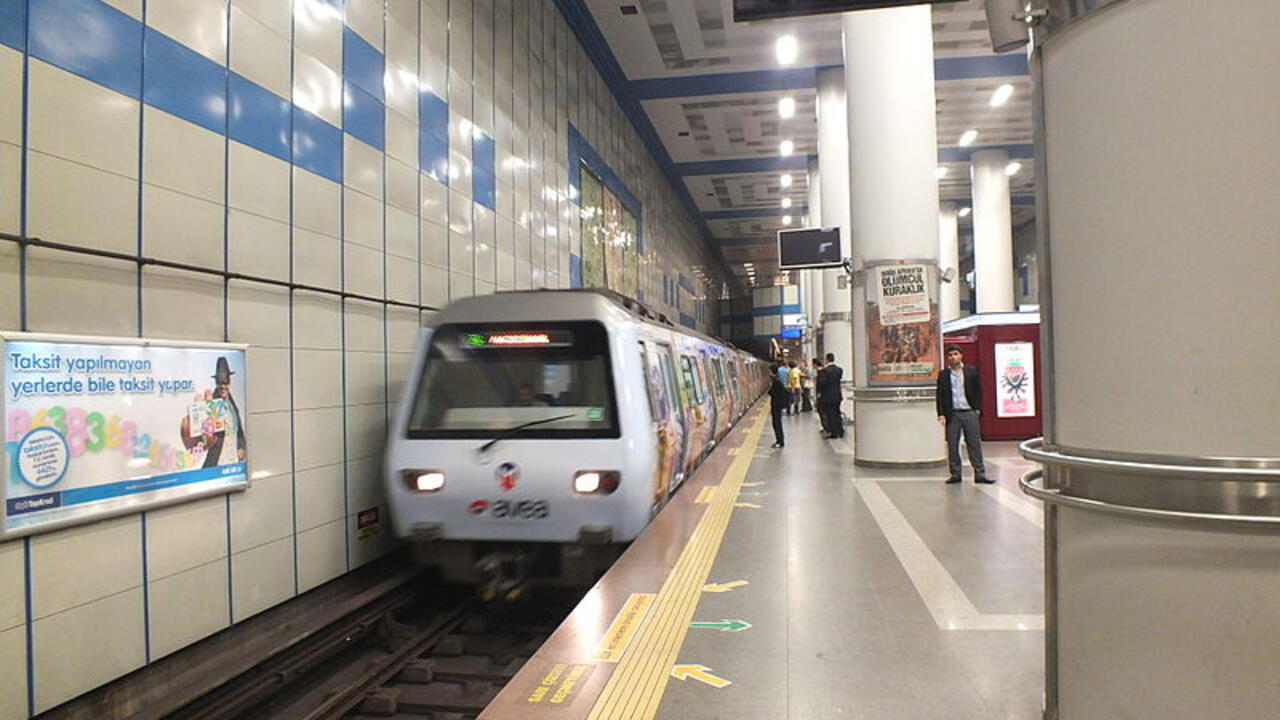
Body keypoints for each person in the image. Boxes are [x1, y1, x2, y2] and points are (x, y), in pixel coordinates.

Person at [936, 344, 991, 484]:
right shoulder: (943, 375)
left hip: (969, 411)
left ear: (961, 355)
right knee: (952, 444)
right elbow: (940, 395)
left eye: (955, 354)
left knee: (974, 443)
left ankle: (979, 473)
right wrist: (941, 413)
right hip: (952, 414)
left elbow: (978, 390)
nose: (953, 357)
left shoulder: (971, 371)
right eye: (950, 355)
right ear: (947, 358)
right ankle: (955, 474)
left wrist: (977, 408)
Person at [817, 352, 844, 438]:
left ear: (827, 359)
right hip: (837, 395)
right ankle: (840, 430)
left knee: (830, 414)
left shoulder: (824, 371)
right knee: (837, 413)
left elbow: (822, 384)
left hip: (827, 396)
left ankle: (833, 432)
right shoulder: (839, 370)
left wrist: (819, 393)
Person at [767, 363, 790, 448]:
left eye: (769, 371)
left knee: (777, 423)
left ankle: (780, 442)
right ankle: (779, 441)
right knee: (777, 423)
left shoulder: (776, 381)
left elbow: (771, 392)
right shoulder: (777, 380)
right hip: (777, 405)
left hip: (776, 405)